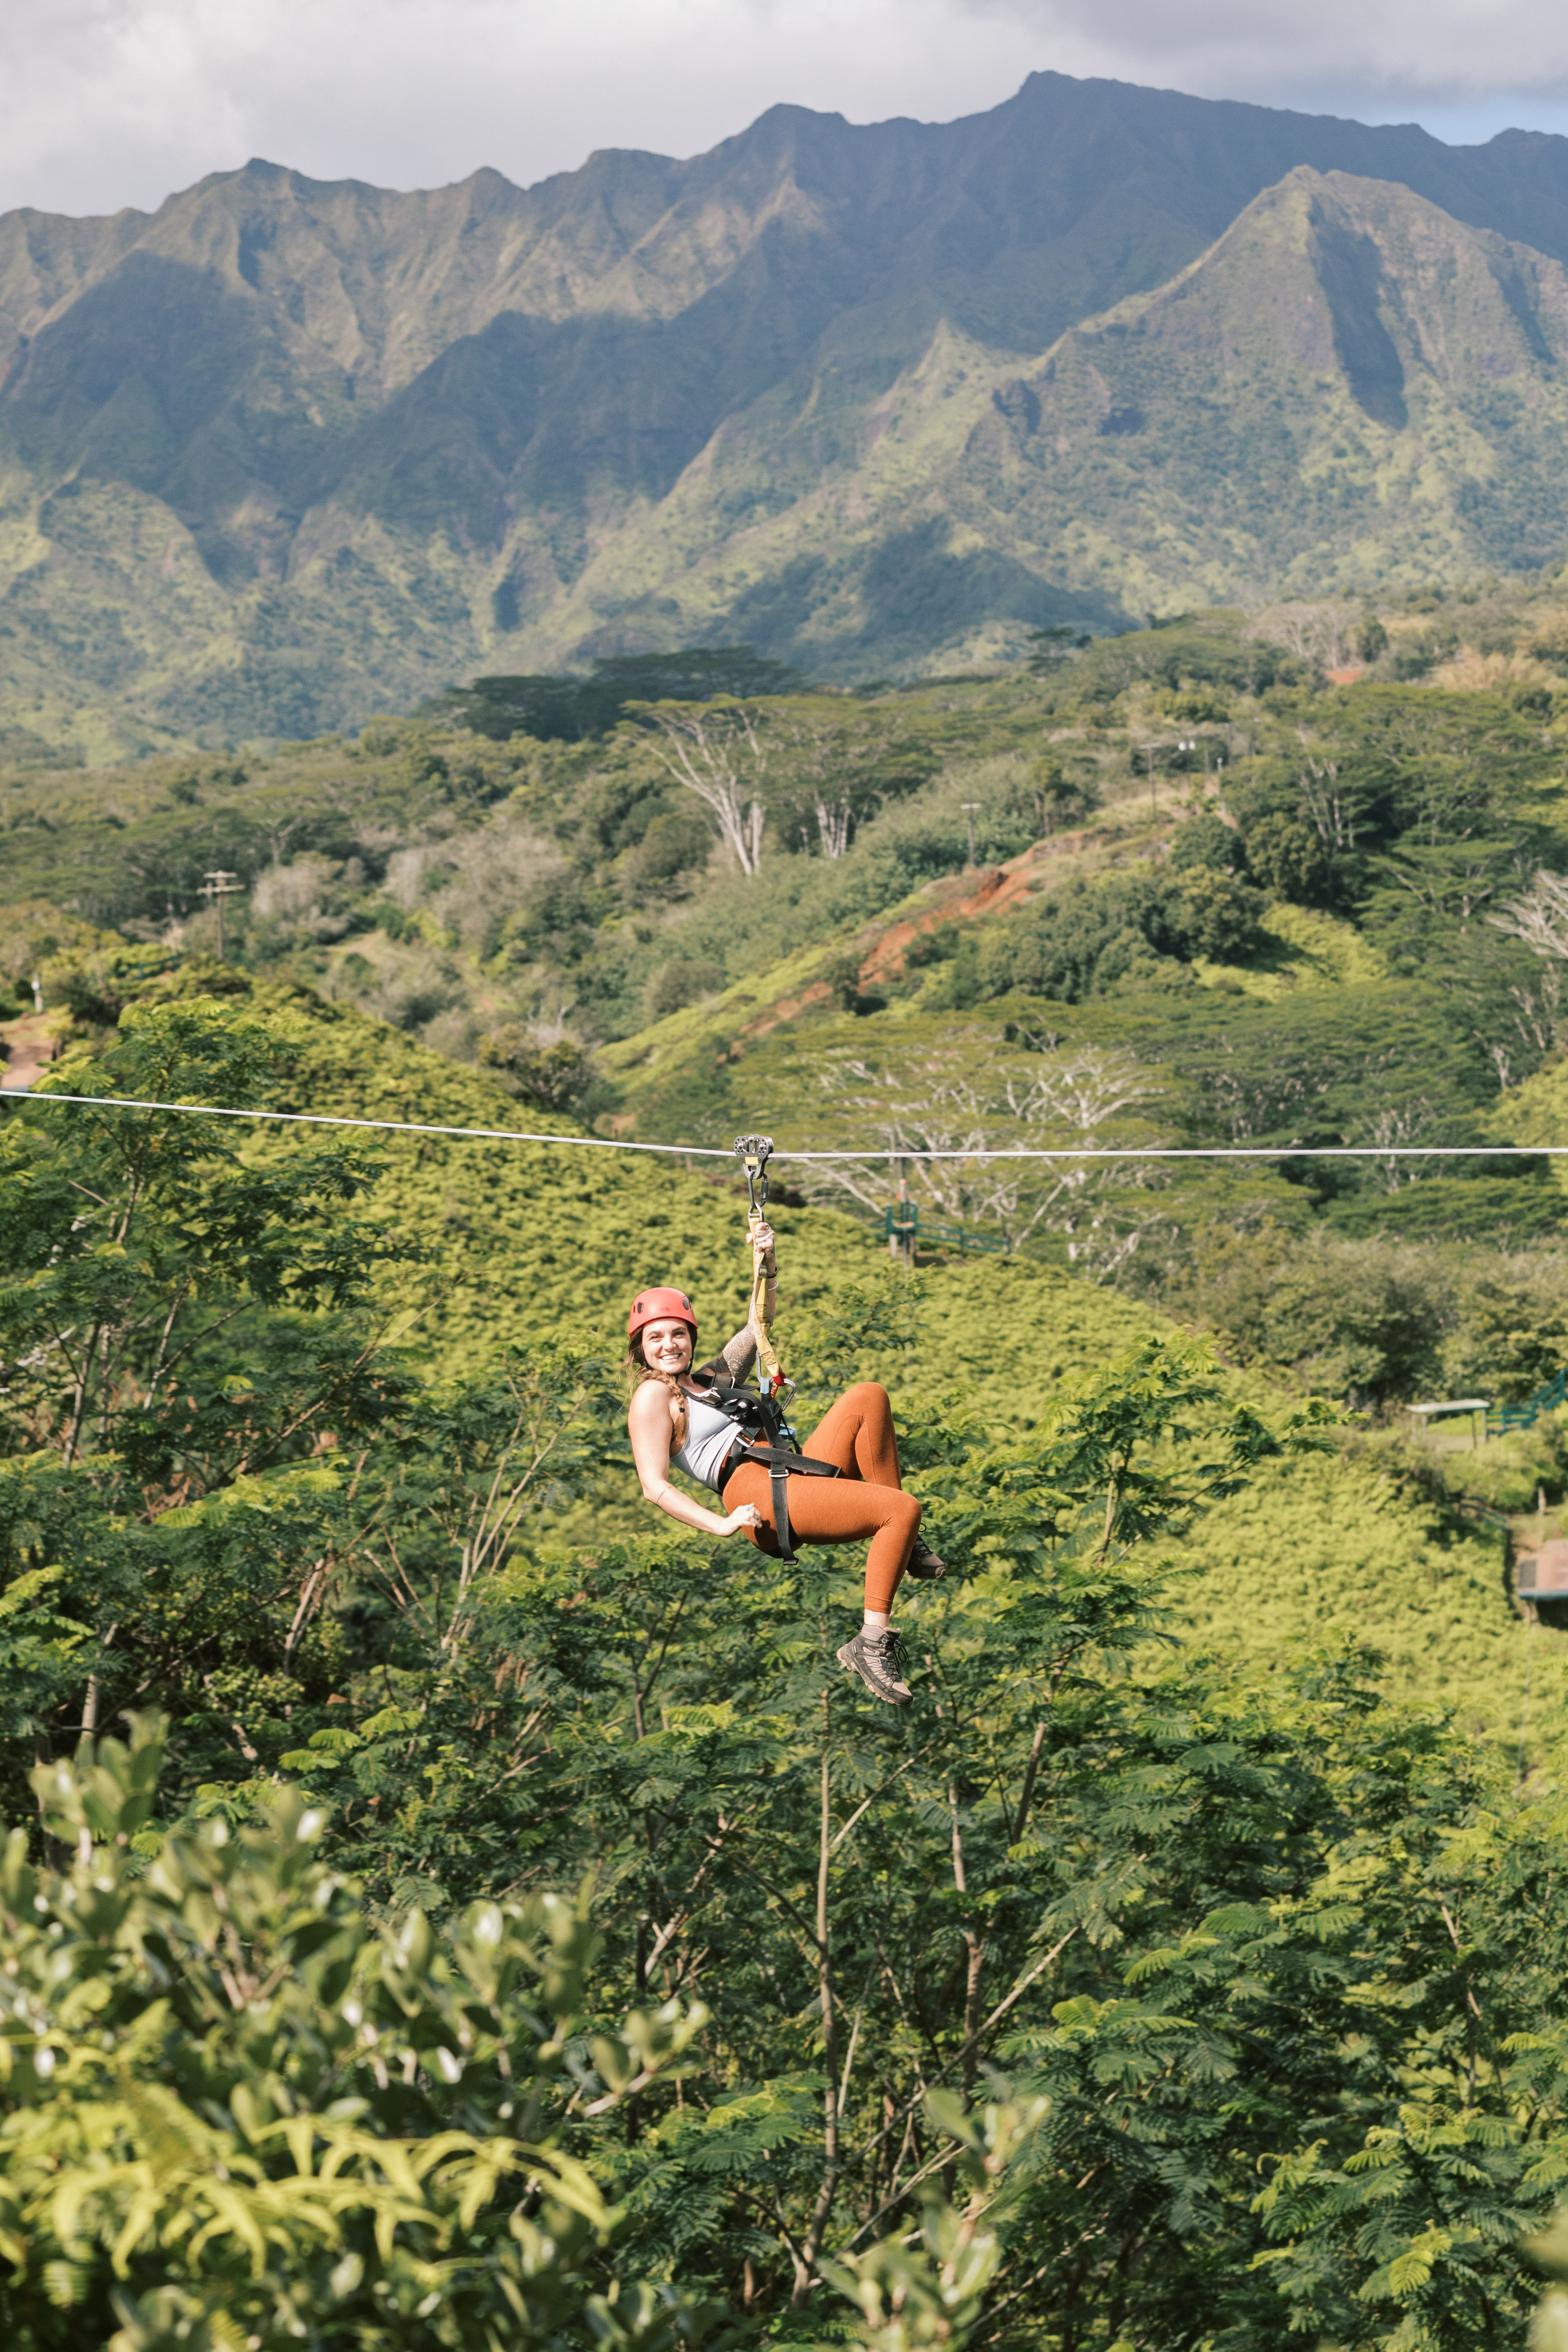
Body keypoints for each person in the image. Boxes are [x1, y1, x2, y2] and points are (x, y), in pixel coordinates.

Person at [625, 1217, 945, 1706]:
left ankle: (905, 1541)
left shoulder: (714, 1378)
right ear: (642, 1350)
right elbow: (655, 1485)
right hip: (754, 1496)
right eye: (656, 1339)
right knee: (901, 1508)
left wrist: (766, 1263)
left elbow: (758, 1324)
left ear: (690, 1337)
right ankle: (872, 1640)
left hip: (783, 1470)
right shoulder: (653, 1396)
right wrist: (721, 1524)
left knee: (868, 1397)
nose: (669, 1345)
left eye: (677, 1334)